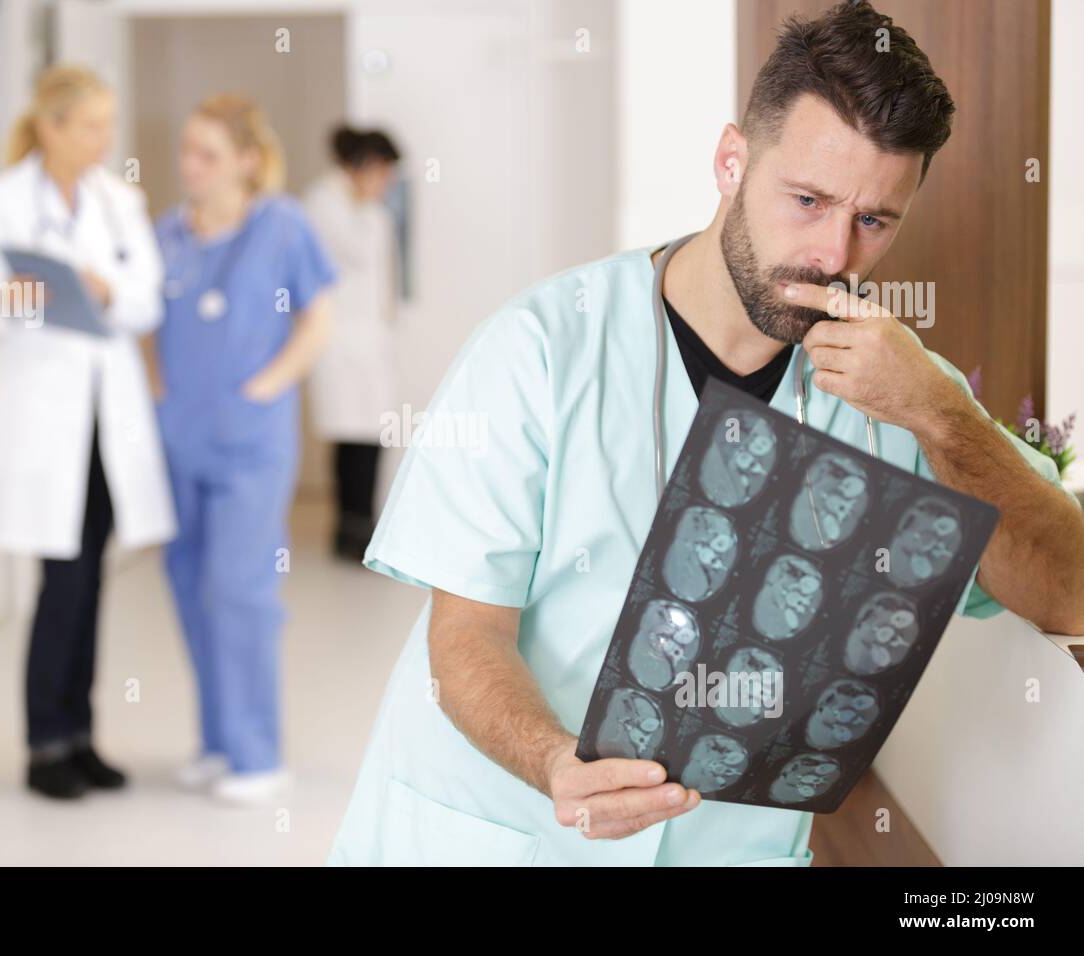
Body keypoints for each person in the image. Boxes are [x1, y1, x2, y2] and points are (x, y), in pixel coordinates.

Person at [329, 1, 1084, 865]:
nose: (833, 254)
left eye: (875, 220)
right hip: (508, 832)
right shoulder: (541, 347)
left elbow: (1070, 588)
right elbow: (465, 634)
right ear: (732, 161)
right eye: (807, 199)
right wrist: (554, 764)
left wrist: (937, 413)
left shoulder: (904, 391)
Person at [0, 66, 175, 800]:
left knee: (89, 585)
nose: (103, 139)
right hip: (46, 423)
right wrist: (15, 296)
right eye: (90, 125)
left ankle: (80, 735)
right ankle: (45, 744)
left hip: (107, 424)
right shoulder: (0, 203)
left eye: (107, 126)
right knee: (63, 585)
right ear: (50, 126)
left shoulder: (120, 202)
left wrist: (110, 290)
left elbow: (148, 303)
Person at [144, 95, 337, 805]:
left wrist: (265, 388)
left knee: (240, 590)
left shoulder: (281, 226)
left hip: (250, 442)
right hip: (180, 436)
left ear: (247, 161)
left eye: (208, 155)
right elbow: (144, 322)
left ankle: (259, 753)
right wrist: (160, 392)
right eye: (187, 152)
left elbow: (319, 318)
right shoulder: (167, 233)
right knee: (189, 585)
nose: (190, 166)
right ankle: (217, 741)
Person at [302, 126, 402, 561]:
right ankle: (351, 530)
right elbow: (354, 253)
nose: (386, 183)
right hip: (341, 339)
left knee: (370, 435)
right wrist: (362, 203)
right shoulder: (325, 201)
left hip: (368, 338)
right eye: (383, 172)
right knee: (350, 438)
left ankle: (363, 526)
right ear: (365, 166)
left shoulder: (368, 208)